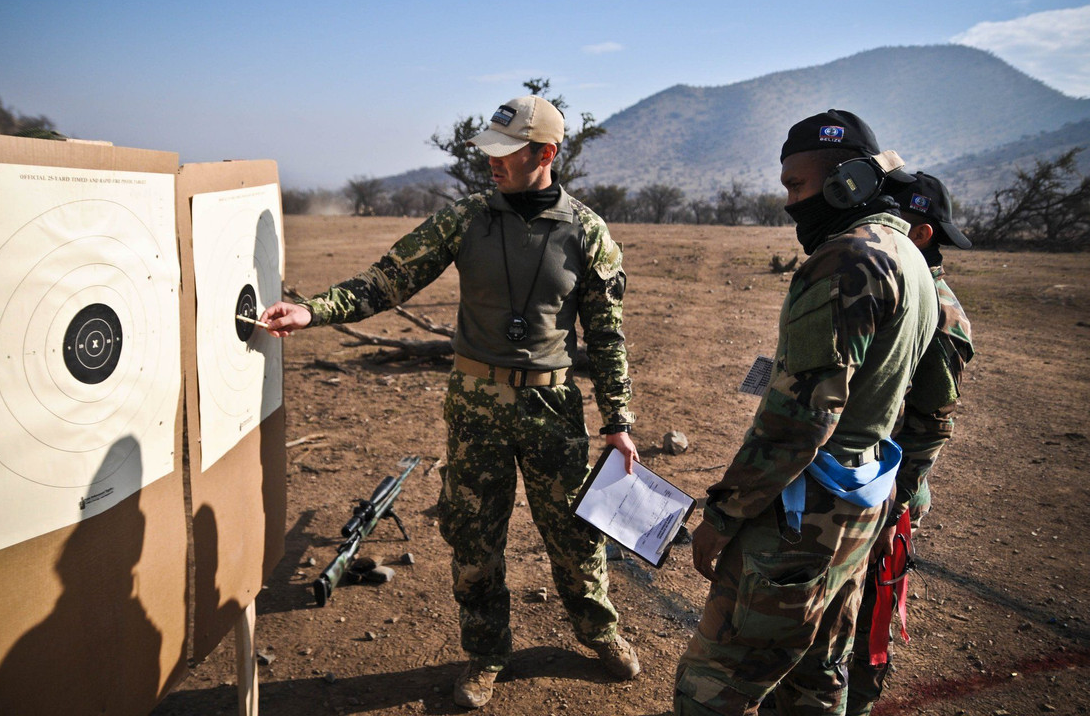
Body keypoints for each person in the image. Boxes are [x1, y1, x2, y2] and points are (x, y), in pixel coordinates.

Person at [261, 94, 641, 709]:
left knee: (575, 538)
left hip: (552, 412)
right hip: (474, 409)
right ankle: (487, 653)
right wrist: (315, 310)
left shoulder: (588, 233)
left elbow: (607, 335)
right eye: (488, 153)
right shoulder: (464, 219)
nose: (491, 164)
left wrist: (618, 421)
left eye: (506, 154)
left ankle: (599, 631)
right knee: (474, 539)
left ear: (545, 154)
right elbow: (388, 279)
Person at [674, 109, 939, 716]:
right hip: (858, 502)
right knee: (816, 680)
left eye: (797, 186)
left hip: (801, 518)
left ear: (847, 181)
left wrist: (723, 514)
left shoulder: (849, 258)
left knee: (712, 687)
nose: (791, 203)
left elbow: (799, 422)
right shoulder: (907, 254)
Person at [845, 171, 975, 715]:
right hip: (857, 480)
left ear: (919, 234)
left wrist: (897, 498)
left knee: (870, 609)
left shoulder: (940, 313)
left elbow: (933, 421)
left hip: (887, 490)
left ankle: (856, 703)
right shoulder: (892, 285)